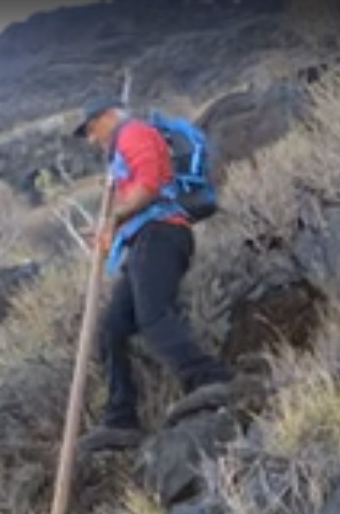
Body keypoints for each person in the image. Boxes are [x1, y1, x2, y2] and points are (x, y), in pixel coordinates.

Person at [71, 96, 234, 454]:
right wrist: (111, 227)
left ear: (108, 115)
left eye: (92, 129)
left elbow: (150, 185)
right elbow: (139, 195)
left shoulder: (133, 133)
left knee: (154, 316)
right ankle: (121, 420)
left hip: (161, 235)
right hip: (144, 239)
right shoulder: (121, 148)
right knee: (113, 328)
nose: (92, 139)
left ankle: (211, 380)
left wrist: (113, 218)